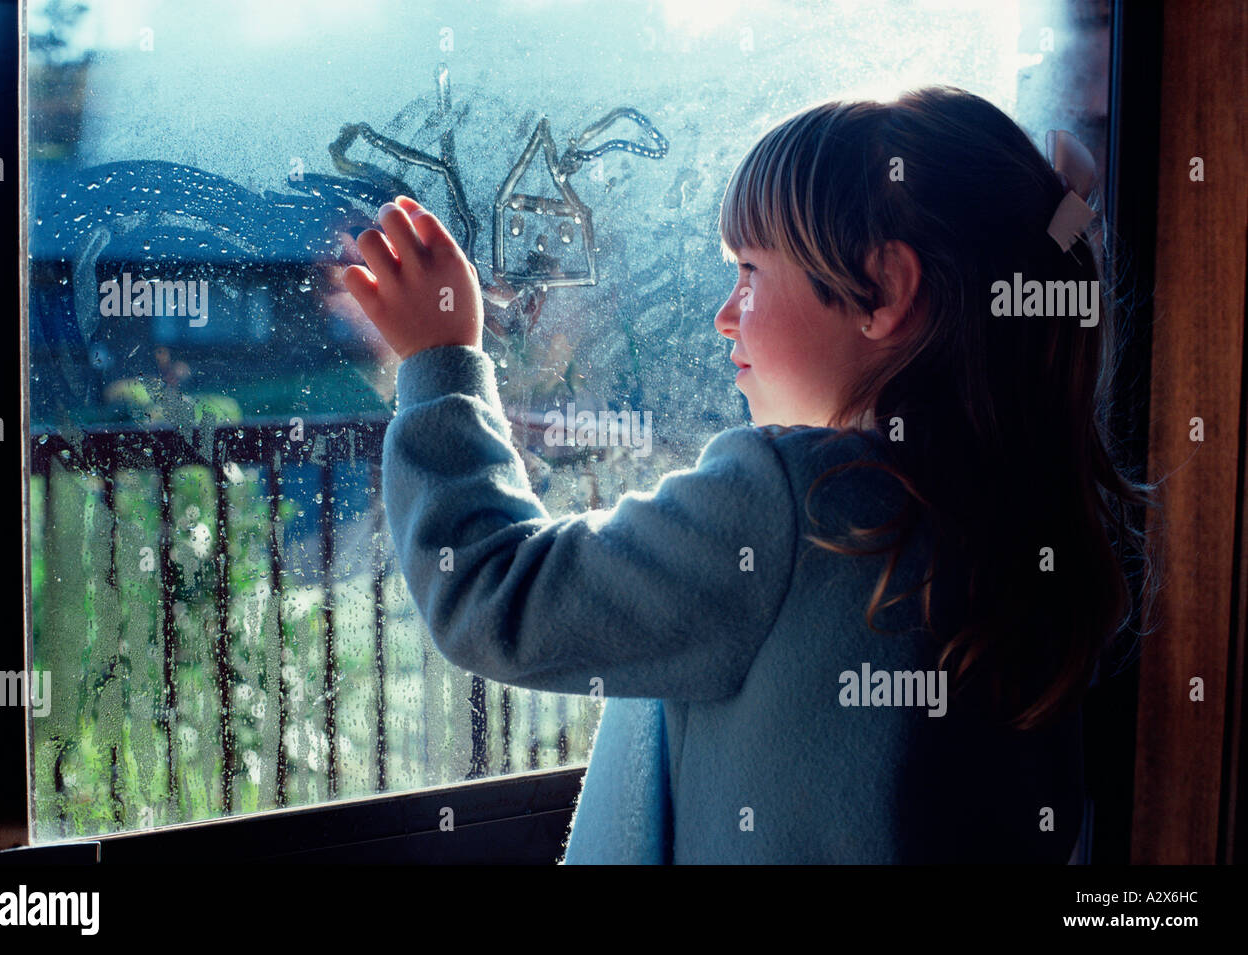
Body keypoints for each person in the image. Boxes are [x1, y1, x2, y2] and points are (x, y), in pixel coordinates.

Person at [341, 85, 1155, 864]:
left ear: (886, 290)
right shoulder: (1032, 518)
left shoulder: (794, 500)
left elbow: (494, 594)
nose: (724, 313)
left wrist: (440, 361)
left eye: (750, 273)